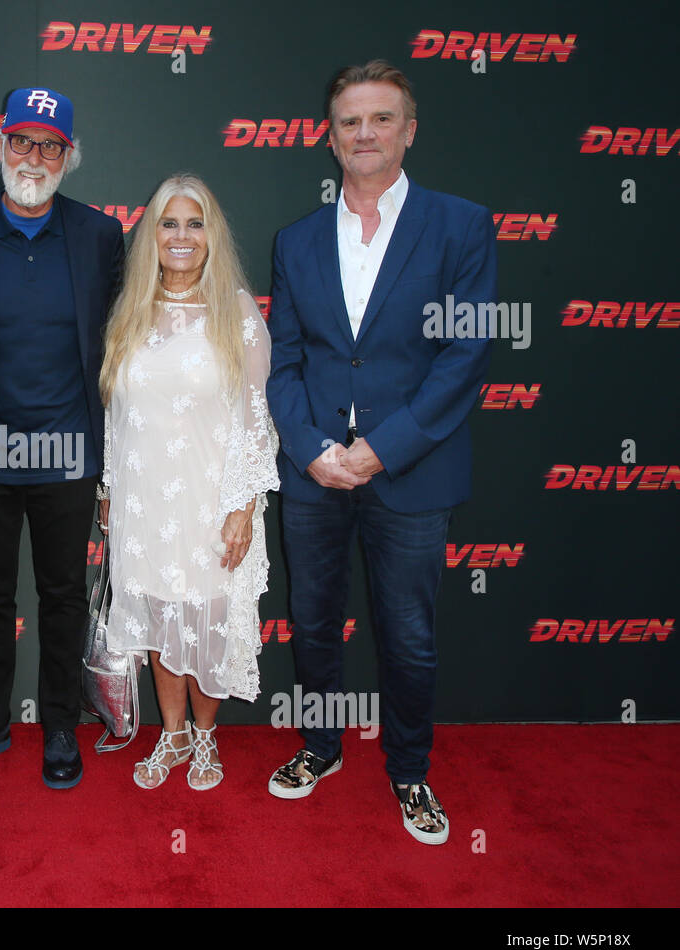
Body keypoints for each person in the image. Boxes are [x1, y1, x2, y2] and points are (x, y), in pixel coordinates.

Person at [265, 60, 497, 843]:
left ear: (410, 129)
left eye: (381, 119)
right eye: (350, 122)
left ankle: (409, 771)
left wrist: (379, 452)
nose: (364, 134)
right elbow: (285, 361)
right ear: (330, 138)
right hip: (315, 474)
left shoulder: (461, 225)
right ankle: (321, 747)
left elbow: (464, 359)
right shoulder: (295, 241)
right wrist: (308, 450)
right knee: (314, 621)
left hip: (413, 472)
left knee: (409, 633)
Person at [0, 87, 124, 789]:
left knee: (64, 595)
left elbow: (117, 345)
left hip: (69, 454)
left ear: (68, 157)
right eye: (22, 141)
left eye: (50, 146)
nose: (33, 157)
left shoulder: (102, 236)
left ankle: (62, 725)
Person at [98, 174, 278, 791]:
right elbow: (117, 415)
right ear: (152, 233)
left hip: (210, 500)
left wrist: (243, 509)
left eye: (194, 223)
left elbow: (257, 420)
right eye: (169, 223)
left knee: (206, 623)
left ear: (212, 235)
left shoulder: (238, 313)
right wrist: (108, 489)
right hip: (143, 499)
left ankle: (206, 739)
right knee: (157, 618)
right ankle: (172, 736)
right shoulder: (131, 310)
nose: (181, 236)